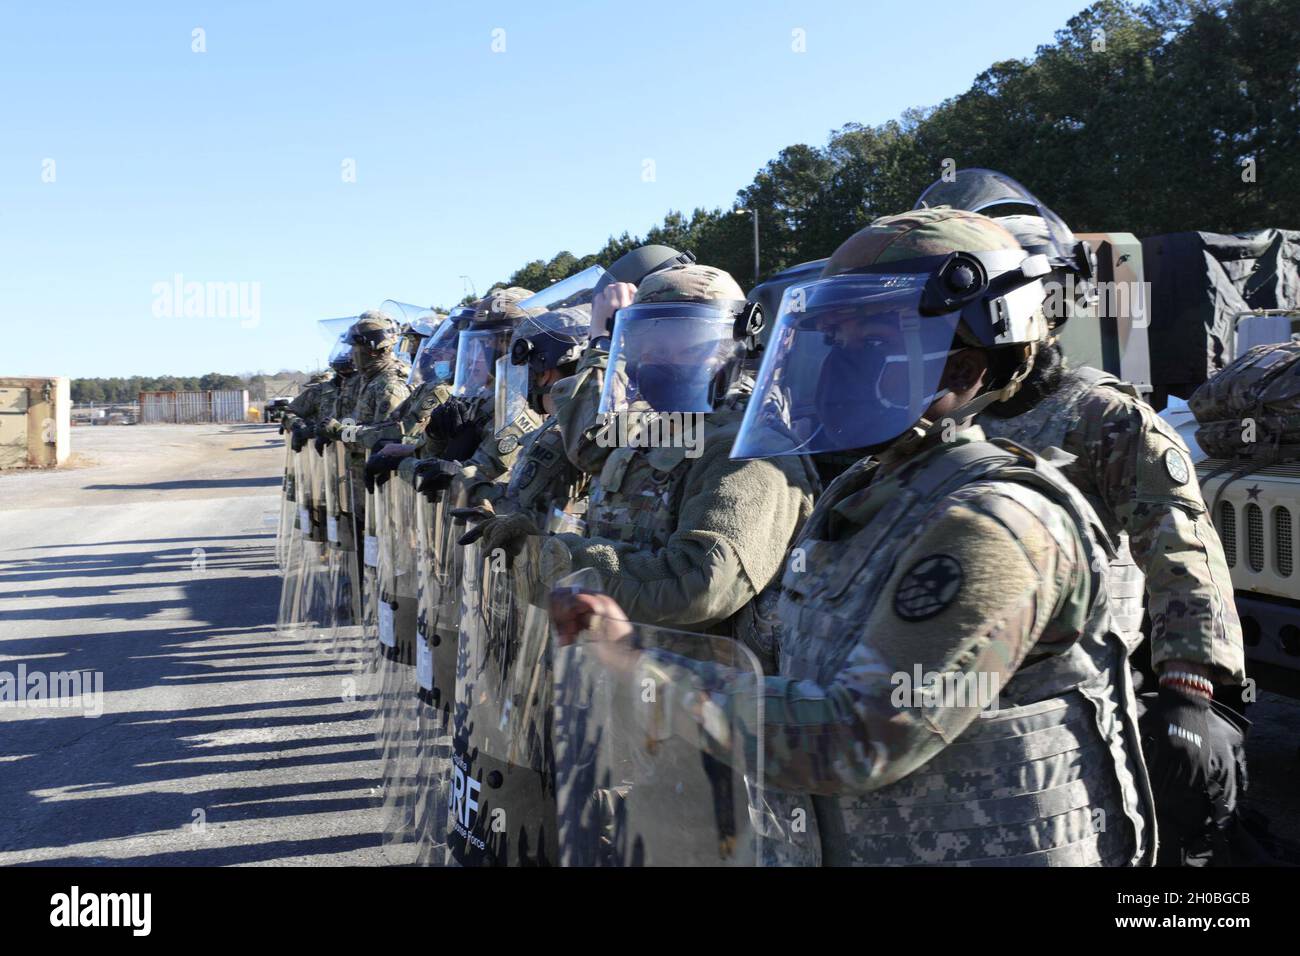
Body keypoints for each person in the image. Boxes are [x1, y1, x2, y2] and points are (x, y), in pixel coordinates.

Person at [554, 208, 1156, 866]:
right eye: (824, 339)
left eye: (863, 342)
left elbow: (856, 735)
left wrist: (638, 663)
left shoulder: (995, 522)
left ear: (963, 369)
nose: (829, 365)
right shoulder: (867, 494)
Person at [919, 168, 1248, 865]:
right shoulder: (925, 419)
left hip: (1080, 698)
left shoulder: (1098, 414)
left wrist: (1192, 681)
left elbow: (1178, 538)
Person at [541, 262, 817, 652]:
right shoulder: (657, 427)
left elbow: (697, 584)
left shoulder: (748, 446)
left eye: (688, 348)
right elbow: (589, 443)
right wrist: (602, 343)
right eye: (648, 348)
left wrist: (552, 559)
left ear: (734, 347)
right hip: (625, 684)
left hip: (700, 697)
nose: (661, 361)